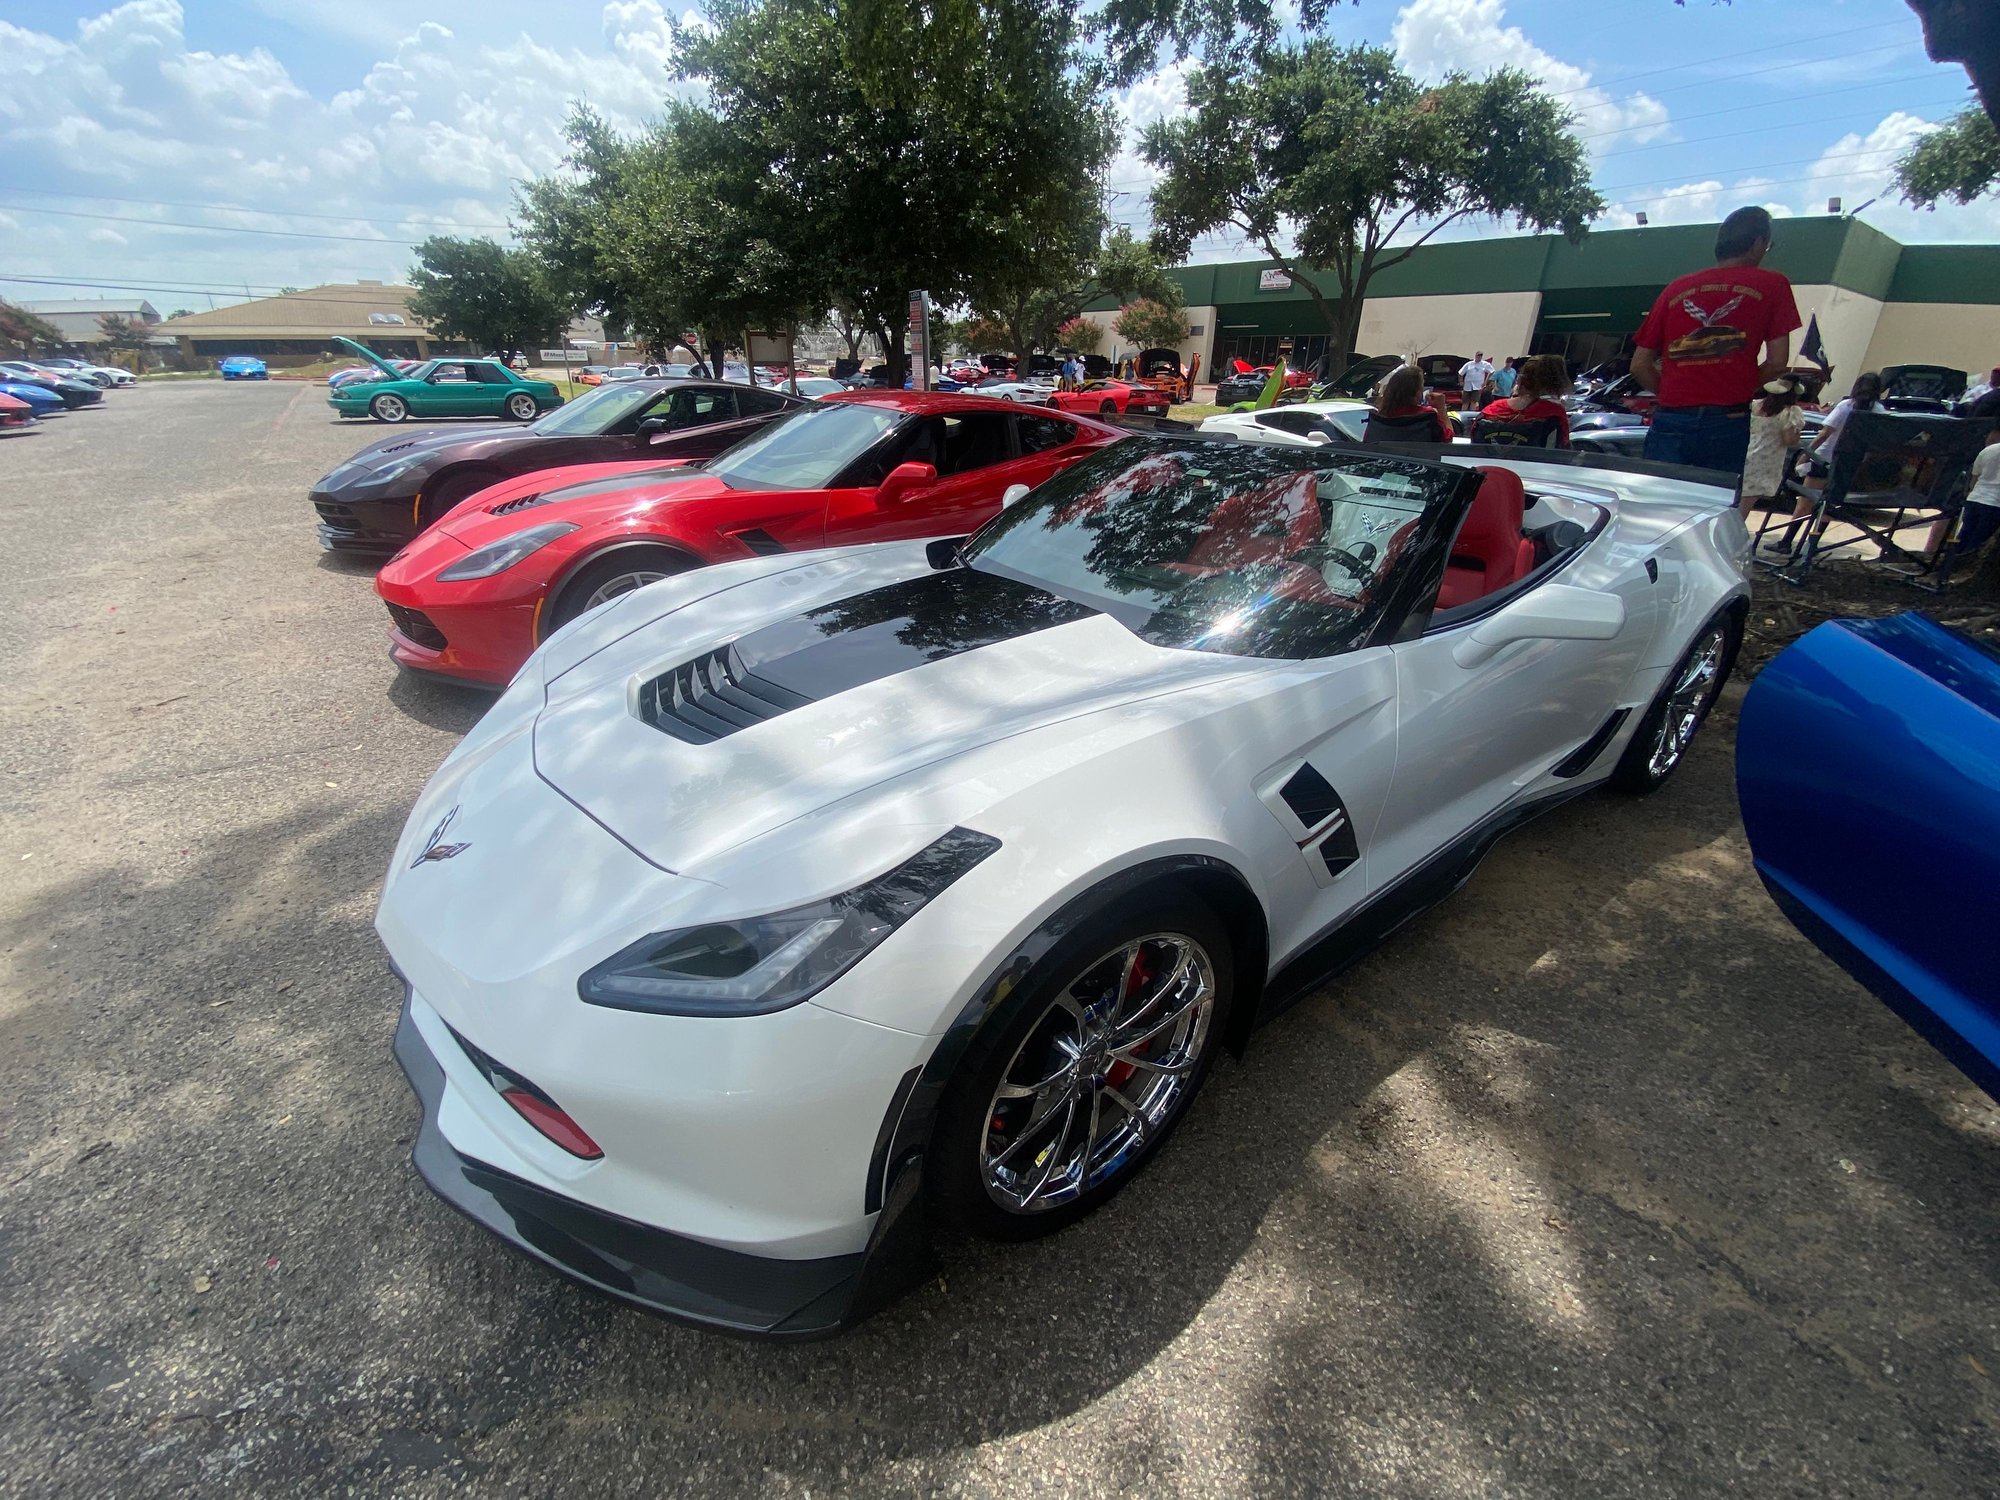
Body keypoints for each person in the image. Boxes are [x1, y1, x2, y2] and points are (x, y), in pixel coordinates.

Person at [1632, 205, 1801, 474]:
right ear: (1758, 243)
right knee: (1713, 496)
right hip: (1728, 418)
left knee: (1660, 495)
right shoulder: (1773, 284)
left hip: (1671, 417)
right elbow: (1777, 363)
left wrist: (1672, 394)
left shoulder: (1676, 288)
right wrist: (1737, 386)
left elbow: (1640, 365)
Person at [1760, 371, 1884, 556]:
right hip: (1849, 463)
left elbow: (1825, 433)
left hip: (1824, 459)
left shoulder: (1846, 406)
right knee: (1829, 505)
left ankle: (1786, 541)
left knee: (1805, 503)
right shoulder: (1879, 411)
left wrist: (1806, 454)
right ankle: (1812, 545)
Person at [1740, 375, 1807, 515]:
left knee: (1734, 500)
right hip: (1765, 461)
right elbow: (1789, 440)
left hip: (1744, 453)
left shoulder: (1755, 405)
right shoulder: (1789, 412)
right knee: (1745, 505)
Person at [1475, 353, 1571, 447]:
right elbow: (1560, 448)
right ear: (1557, 381)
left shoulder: (1492, 409)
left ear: (1522, 379)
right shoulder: (1555, 414)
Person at [1362, 363, 1453, 443]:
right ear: (1416, 392)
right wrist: (1441, 409)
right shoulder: (1427, 416)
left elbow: (1367, 441)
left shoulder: (1378, 417)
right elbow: (1448, 439)